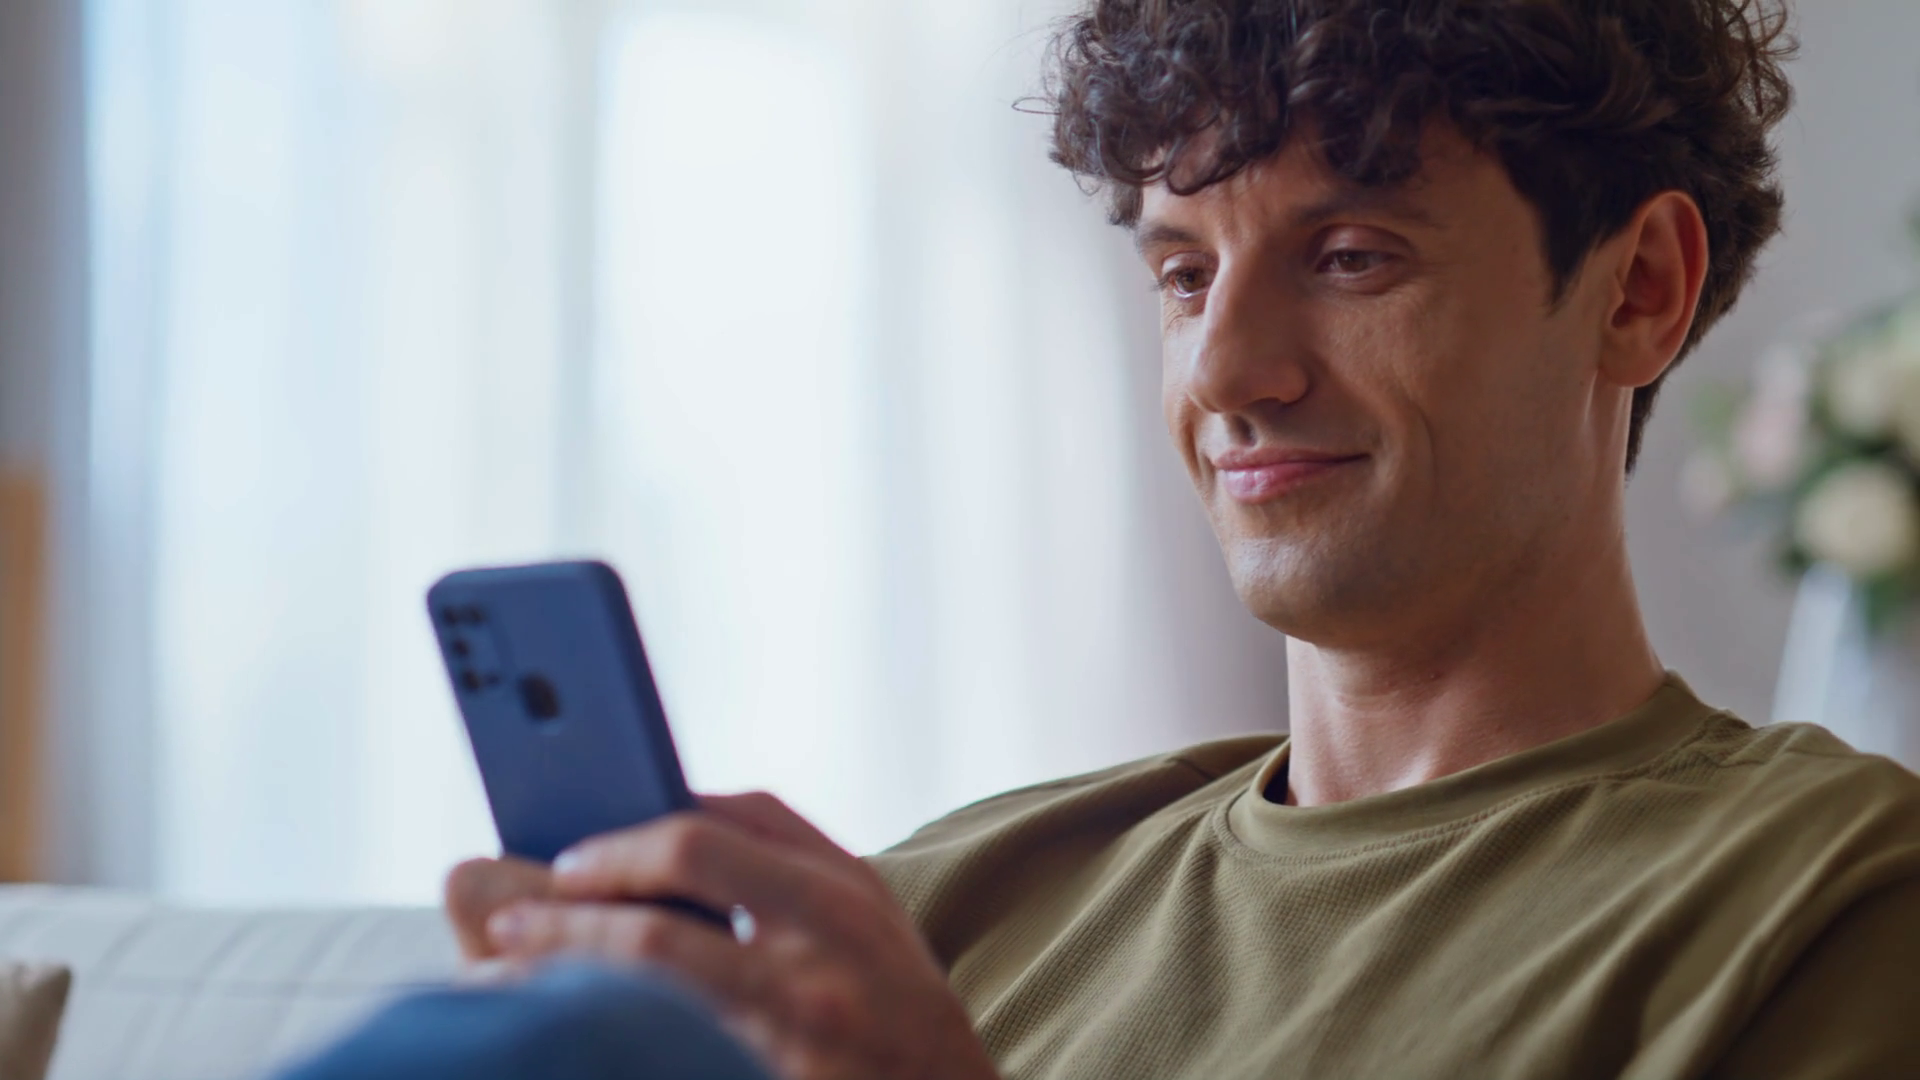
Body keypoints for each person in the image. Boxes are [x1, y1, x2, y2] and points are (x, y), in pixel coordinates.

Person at [291, 0, 1920, 1077]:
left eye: (1351, 256)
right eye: (1183, 274)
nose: (1224, 370)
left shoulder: (1826, 896)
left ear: (1638, 291)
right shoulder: (951, 900)